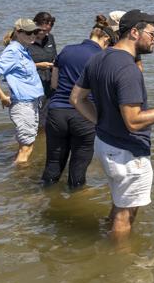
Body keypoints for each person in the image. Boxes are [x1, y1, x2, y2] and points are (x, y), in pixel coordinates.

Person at [70, 9, 154, 236]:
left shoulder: (99, 57)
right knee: (125, 215)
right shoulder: (128, 69)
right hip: (127, 153)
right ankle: (122, 265)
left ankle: (108, 245)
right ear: (134, 33)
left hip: (105, 144)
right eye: (150, 34)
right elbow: (134, 122)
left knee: (119, 204)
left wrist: (101, 122)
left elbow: (76, 98)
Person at [41, 14, 117, 188]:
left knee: (53, 163)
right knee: (78, 167)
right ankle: (74, 202)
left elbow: (54, 83)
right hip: (84, 115)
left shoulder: (67, 50)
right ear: (105, 38)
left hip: (57, 112)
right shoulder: (102, 57)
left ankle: (44, 199)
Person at [0, 18, 46, 164]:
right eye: (29, 33)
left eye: (35, 32)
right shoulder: (13, 51)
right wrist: (2, 97)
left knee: (24, 146)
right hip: (23, 105)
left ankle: (16, 178)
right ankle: (22, 179)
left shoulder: (23, 50)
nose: (33, 36)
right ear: (18, 32)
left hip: (32, 104)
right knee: (27, 148)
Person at [27, 11, 57, 127]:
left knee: (50, 114)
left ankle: (43, 137)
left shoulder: (50, 38)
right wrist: (39, 65)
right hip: (33, 83)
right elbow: (18, 65)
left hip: (50, 82)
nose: (45, 33)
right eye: (42, 30)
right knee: (35, 116)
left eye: (48, 31)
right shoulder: (27, 41)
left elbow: (55, 57)